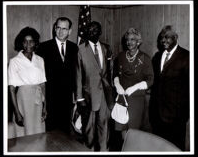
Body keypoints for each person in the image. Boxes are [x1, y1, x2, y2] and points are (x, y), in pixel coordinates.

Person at [149, 25, 189, 151]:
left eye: (168, 38)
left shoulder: (186, 57)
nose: (163, 41)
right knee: (159, 147)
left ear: (176, 38)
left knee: (175, 148)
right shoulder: (157, 57)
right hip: (157, 114)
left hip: (176, 115)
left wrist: (185, 114)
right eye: (162, 38)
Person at [76, 21, 114, 151]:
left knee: (105, 128)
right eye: (90, 30)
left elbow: (108, 72)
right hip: (89, 96)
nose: (92, 32)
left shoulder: (105, 48)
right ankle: (88, 151)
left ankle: (104, 151)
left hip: (105, 95)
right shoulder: (81, 49)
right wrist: (79, 98)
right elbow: (78, 74)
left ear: (100, 32)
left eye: (95, 30)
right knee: (89, 131)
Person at [36, 17, 78, 133]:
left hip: (67, 98)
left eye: (64, 29)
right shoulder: (43, 47)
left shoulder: (74, 48)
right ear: (55, 29)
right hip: (50, 98)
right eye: (58, 28)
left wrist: (76, 94)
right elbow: (39, 75)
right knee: (51, 132)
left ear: (70, 31)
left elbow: (76, 73)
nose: (61, 31)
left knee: (65, 131)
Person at [113, 28, 154, 141]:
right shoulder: (121, 56)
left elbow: (150, 80)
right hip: (121, 96)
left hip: (136, 98)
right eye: (127, 40)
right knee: (122, 126)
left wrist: (135, 87)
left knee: (133, 130)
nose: (129, 42)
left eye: (133, 40)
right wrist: (117, 84)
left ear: (138, 42)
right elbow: (115, 73)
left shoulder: (145, 58)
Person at [8, 27, 47, 137]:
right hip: (23, 101)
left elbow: (43, 85)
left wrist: (45, 107)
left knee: (39, 132)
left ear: (35, 43)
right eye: (25, 41)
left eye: (31, 41)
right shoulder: (14, 61)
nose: (28, 44)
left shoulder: (40, 60)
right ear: (21, 43)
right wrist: (17, 113)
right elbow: (11, 89)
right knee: (24, 134)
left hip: (38, 101)